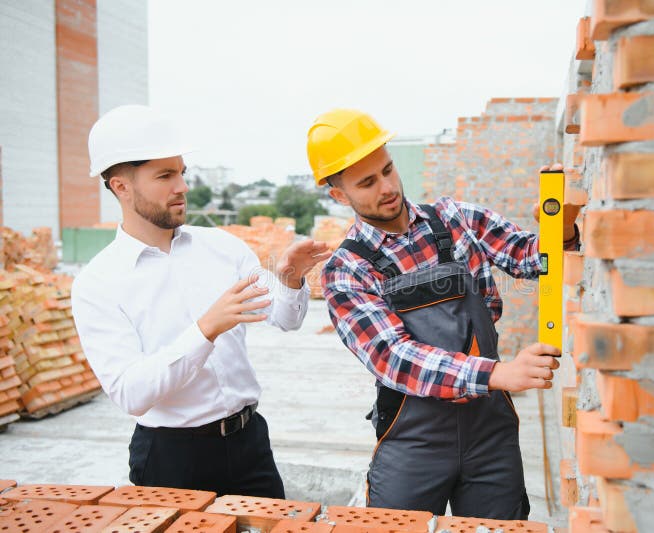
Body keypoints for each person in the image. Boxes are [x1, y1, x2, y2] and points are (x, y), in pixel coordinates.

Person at [308, 109, 580, 519]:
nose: (387, 187)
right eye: (367, 182)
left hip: (489, 433)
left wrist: (563, 225)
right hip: (414, 440)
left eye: (387, 170)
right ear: (339, 195)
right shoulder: (347, 270)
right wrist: (494, 374)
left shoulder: (456, 220)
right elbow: (394, 358)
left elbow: (531, 258)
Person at [72, 104, 331, 497]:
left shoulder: (223, 249)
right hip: (171, 458)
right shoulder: (98, 283)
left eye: (181, 172)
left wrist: (290, 278)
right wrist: (205, 329)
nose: (182, 187)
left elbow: (284, 318)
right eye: (165, 175)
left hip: (249, 446)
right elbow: (131, 394)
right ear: (121, 186)